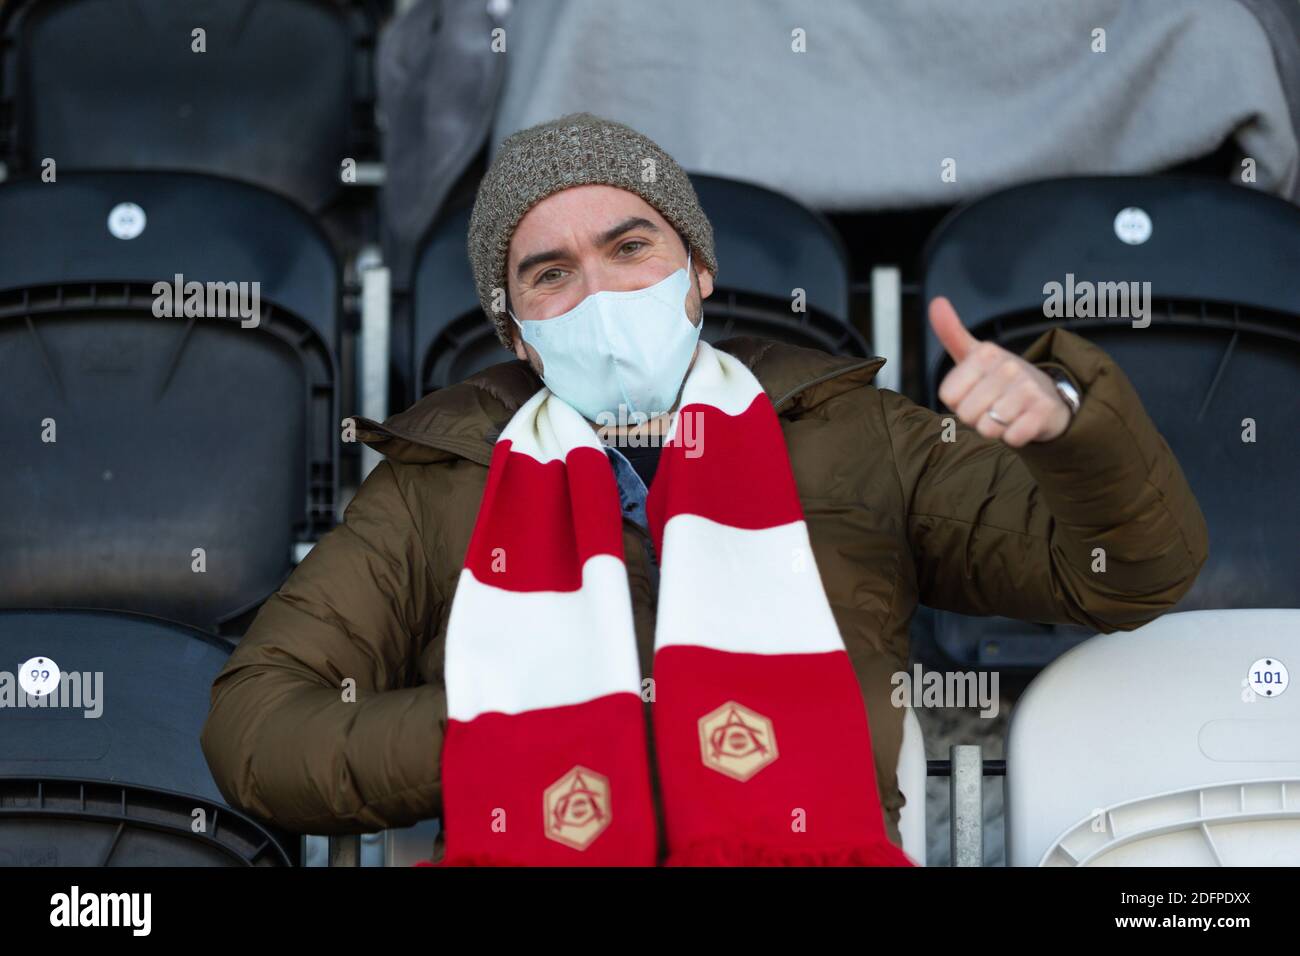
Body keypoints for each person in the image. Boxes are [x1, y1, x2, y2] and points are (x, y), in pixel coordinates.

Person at [200, 112, 1209, 866]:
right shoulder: (431, 489)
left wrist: (1070, 425)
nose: (596, 291)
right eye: (549, 273)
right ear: (514, 330)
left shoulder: (855, 436)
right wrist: (506, 723)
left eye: (630, 246)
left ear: (698, 273)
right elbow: (254, 731)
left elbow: (1126, 574)